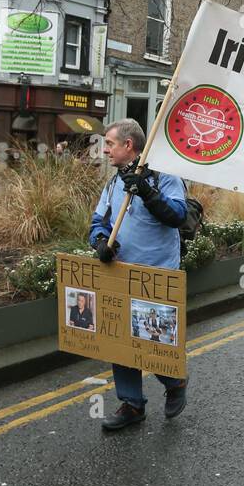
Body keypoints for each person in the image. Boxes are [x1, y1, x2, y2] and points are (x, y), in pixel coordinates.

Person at [88, 118, 191, 431]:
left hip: (158, 272)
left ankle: (175, 381)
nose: (105, 150)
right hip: (121, 272)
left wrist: (147, 191)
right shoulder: (113, 182)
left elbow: (178, 216)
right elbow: (98, 221)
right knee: (119, 339)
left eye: (110, 144)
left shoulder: (166, 175)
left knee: (151, 341)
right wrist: (100, 242)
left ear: (127, 146)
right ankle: (132, 404)